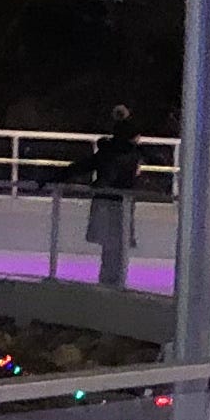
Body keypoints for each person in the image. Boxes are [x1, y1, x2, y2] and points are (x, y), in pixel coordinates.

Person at [62, 106, 143, 287]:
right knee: (118, 245)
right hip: (119, 202)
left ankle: (108, 280)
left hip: (105, 200)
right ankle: (115, 281)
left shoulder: (109, 151)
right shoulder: (130, 154)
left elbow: (85, 165)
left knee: (110, 245)